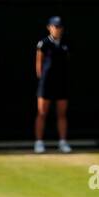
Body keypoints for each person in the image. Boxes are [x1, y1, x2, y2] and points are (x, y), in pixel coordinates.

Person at [35, 16, 71, 154]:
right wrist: (43, 79)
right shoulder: (43, 44)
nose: (58, 29)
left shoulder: (66, 43)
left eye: (60, 27)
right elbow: (38, 65)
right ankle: (39, 142)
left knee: (62, 114)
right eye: (55, 27)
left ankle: (62, 142)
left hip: (61, 83)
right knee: (42, 113)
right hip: (46, 84)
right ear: (49, 27)